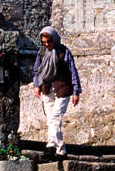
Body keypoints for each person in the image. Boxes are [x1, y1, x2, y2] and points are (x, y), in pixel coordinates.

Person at [31, 25, 81, 159]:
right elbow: (37, 71)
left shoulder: (63, 51)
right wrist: (36, 85)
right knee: (52, 121)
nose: (47, 44)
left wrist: (76, 91)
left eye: (49, 41)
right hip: (47, 89)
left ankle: (51, 145)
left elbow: (72, 71)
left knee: (54, 118)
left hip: (63, 88)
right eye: (44, 42)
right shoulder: (42, 52)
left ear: (55, 39)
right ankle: (61, 150)